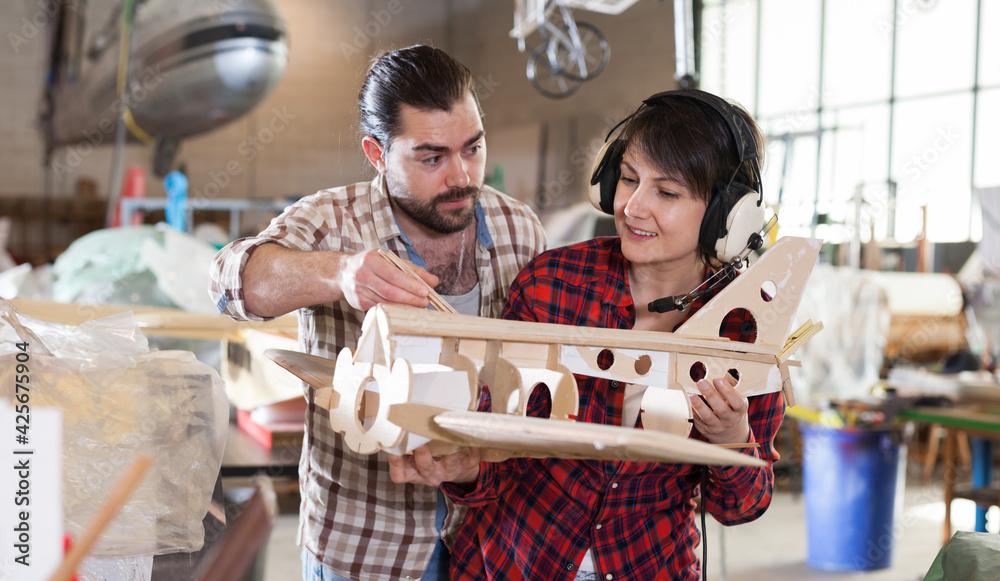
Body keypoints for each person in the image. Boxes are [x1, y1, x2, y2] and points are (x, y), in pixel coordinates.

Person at [388, 89, 784, 580]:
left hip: (646, 566)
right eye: (630, 180)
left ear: (728, 216)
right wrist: (465, 467)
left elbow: (740, 506)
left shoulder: (745, 332)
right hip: (516, 564)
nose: (633, 207)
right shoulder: (552, 284)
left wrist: (732, 438)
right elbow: (503, 447)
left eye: (667, 192)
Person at [208, 45, 546, 581]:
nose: (461, 177)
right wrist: (338, 274)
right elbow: (230, 283)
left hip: (488, 538)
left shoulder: (518, 228)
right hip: (364, 547)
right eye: (431, 157)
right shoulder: (331, 220)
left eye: (472, 148)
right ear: (377, 152)